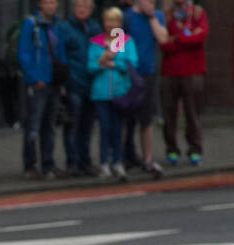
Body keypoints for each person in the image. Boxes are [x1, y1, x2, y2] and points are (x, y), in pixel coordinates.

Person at [89, 5, 137, 180]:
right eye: (108, 20)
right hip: (101, 93)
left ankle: (118, 161)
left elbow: (132, 63)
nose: (111, 24)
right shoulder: (96, 42)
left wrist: (114, 64)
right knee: (104, 128)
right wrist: (101, 63)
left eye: (115, 21)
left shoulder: (124, 42)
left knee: (118, 128)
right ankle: (104, 163)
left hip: (119, 92)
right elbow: (91, 66)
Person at [17, 0, 63, 179]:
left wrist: (62, 80)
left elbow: (61, 52)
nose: (51, 5)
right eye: (47, 2)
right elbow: (23, 52)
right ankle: (30, 165)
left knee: (49, 126)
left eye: (53, 2)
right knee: (33, 126)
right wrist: (33, 78)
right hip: (38, 83)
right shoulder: (31, 24)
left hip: (54, 81)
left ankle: (48, 164)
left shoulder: (57, 24)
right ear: (40, 5)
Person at [121, 0, 168, 175]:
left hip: (148, 75)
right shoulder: (126, 17)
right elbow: (118, 44)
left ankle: (147, 159)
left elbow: (163, 38)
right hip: (129, 74)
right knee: (125, 119)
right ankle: (120, 159)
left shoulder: (158, 16)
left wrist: (151, 18)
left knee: (146, 119)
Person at [159, 0, 207, 166]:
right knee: (168, 115)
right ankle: (171, 149)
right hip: (169, 72)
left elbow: (200, 38)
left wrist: (177, 39)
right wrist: (187, 37)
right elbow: (164, 44)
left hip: (193, 72)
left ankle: (195, 150)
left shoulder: (197, 13)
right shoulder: (165, 15)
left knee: (193, 115)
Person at [61, 0, 102, 176]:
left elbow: (106, 49)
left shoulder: (95, 29)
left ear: (91, 10)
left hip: (92, 84)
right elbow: (60, 55)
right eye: (79, 6)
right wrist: (63, 82)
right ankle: (72, 163)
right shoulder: (65, 28)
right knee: (72, 125)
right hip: (73, 84)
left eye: (86, 6)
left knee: (87, 126)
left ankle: (85, 161)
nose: (82, 9)